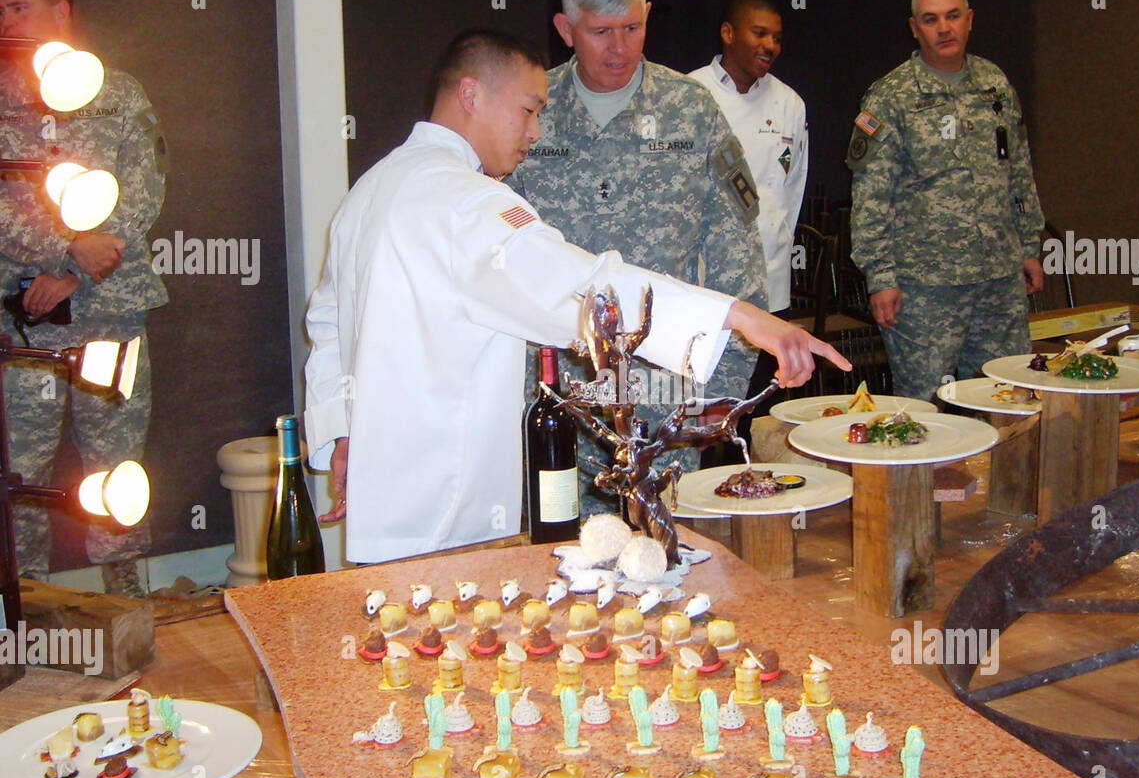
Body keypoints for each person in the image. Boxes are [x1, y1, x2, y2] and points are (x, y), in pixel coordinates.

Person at [302, 29, 846, 565]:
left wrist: (343, 430)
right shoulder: (467, 204)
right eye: (527, 109)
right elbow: (585, 288)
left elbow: (329, 324)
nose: (535, 131)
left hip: (389, 500)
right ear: (471, 95)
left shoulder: (371, 188)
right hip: (448, 513)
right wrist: (737, 314)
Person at [509, 0, 769, 501]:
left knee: (672, 561)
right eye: (602, 31)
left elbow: (737, 258)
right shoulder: (530, 111)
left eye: (632, 26)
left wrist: (722, 394)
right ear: (565, 27)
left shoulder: (691, 110)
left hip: (666, 394)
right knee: (563, 560)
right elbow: (499, 260)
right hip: (559, 392)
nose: (620, 48)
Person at [0, 0, 168, 595]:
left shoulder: (117, 95)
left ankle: (128, 609)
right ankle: (27, 613)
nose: (5, 22)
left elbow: (142, 195)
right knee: (21, 478)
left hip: (109, 315)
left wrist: (73, 272)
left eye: (18, 7)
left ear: (60, 11)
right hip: (24, 323)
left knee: (116, 470)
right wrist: (66, 243)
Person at [846, 0, 1044, 402]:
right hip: (924, 289)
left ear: (969, 20)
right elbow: (871, 195)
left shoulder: (995, 85)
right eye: (931, 19)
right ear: (914, 28)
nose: (944, 28)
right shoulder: (891, 97)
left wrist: (1029, 245)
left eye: (953, 16)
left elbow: (1020, 170)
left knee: (1006, 397)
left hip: (998, 280)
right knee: (925, 406)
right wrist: (880, 277)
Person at [689, 0, 808, 451]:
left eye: (777, 37)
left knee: (751, 411)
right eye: (759, 33)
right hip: (705, 289)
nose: (770, 45)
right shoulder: (691, 93)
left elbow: (791, 190)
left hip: (769, 286)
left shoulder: (790, 105)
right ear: (728, 33)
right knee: (704, 414)